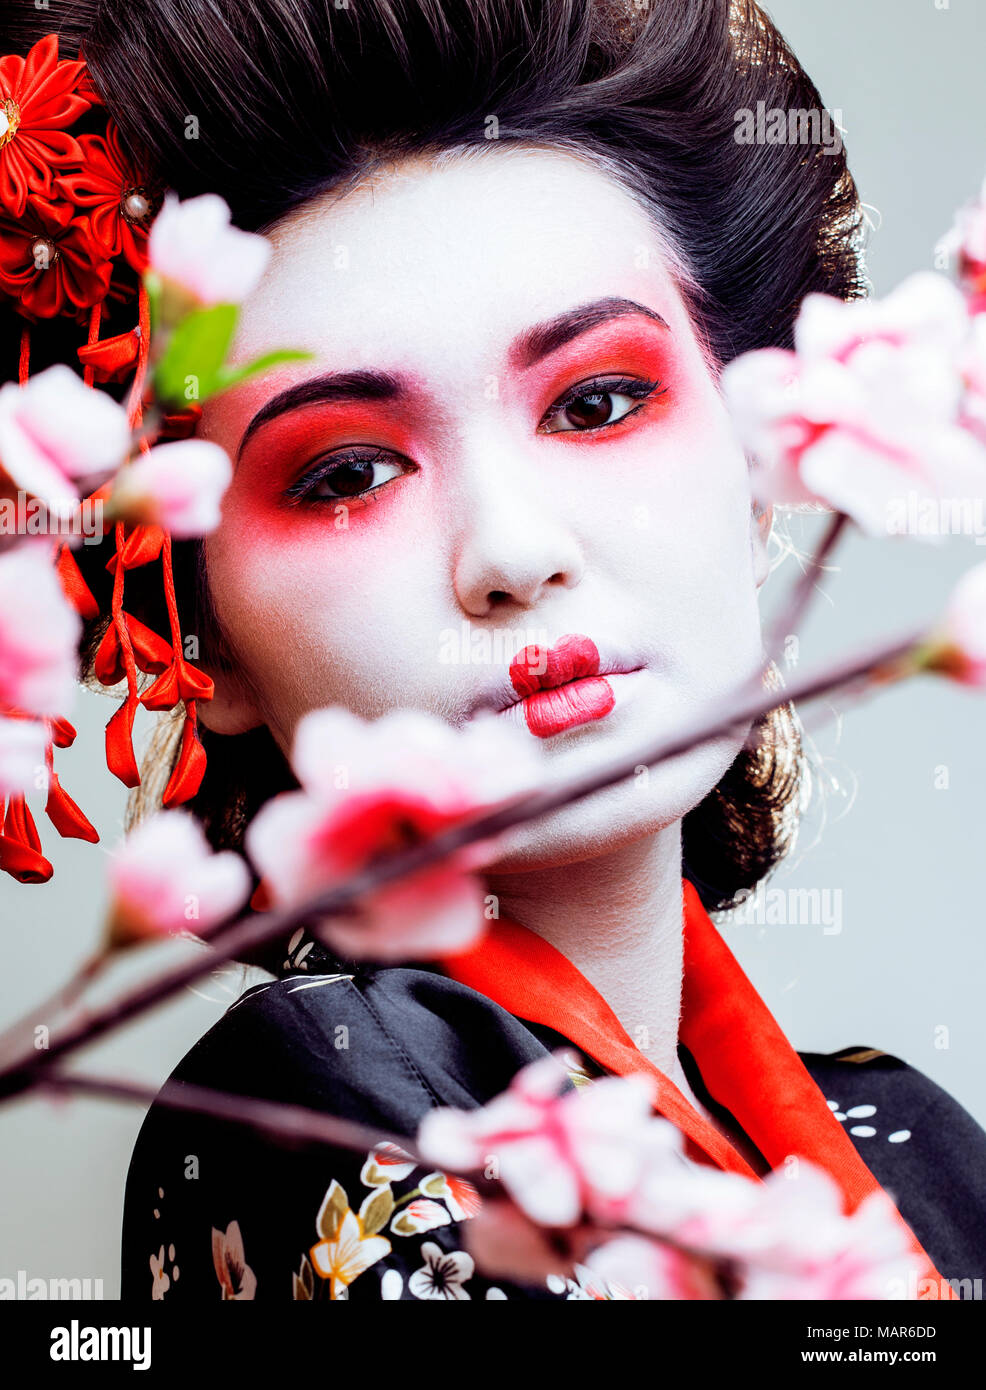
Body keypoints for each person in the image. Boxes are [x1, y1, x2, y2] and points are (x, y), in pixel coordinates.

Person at [9, 0, 985, 1299]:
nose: (512, 551)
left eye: (595, 401)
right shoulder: (316, 1101)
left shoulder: (921, 1151)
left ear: (757, 467)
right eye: (348, 471)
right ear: (208, 644)